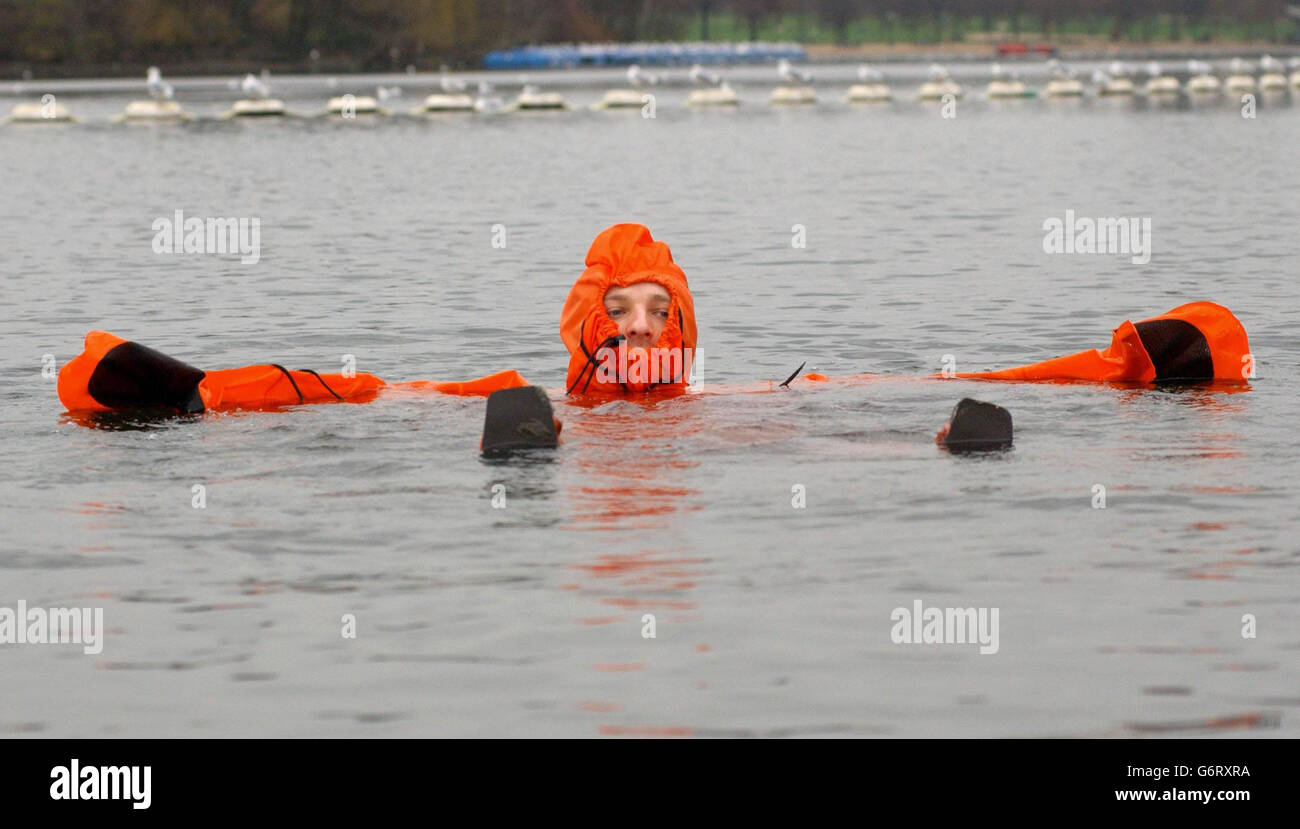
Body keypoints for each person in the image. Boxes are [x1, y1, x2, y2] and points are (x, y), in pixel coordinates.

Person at [560, 223, 697, 397]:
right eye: (616, 312)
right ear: (582, 327)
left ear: (684, 328)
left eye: (662, 313)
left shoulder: (727, 404)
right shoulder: (536, 408)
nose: (640, 327)